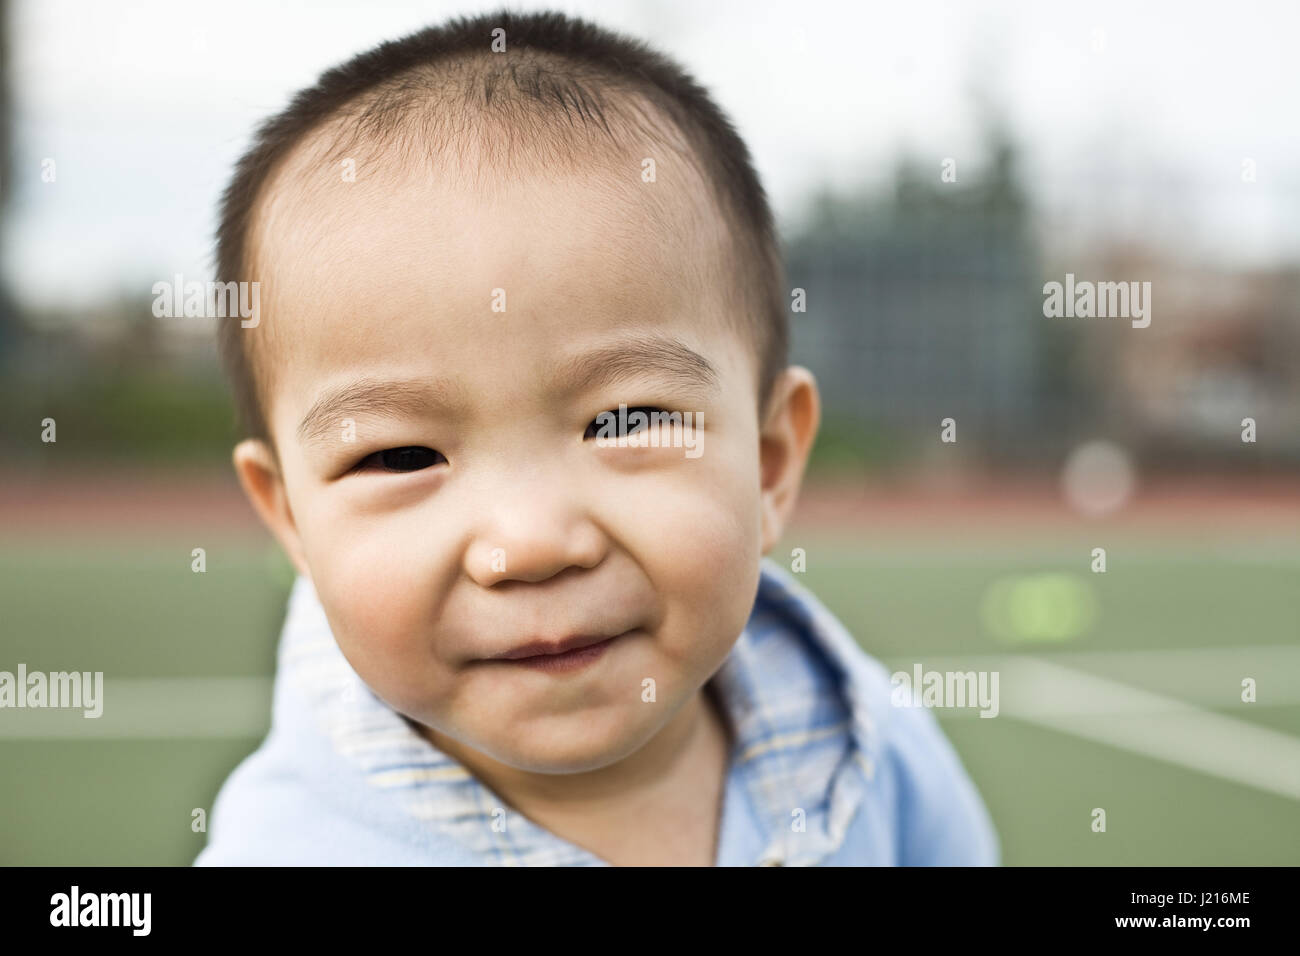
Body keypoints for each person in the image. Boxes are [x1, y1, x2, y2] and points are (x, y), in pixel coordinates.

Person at [195, 8, 998, 866]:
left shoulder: (875, 753)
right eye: (401, 455)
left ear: (768, 464)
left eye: (626, 420)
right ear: (291, 523)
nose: (531, 542)